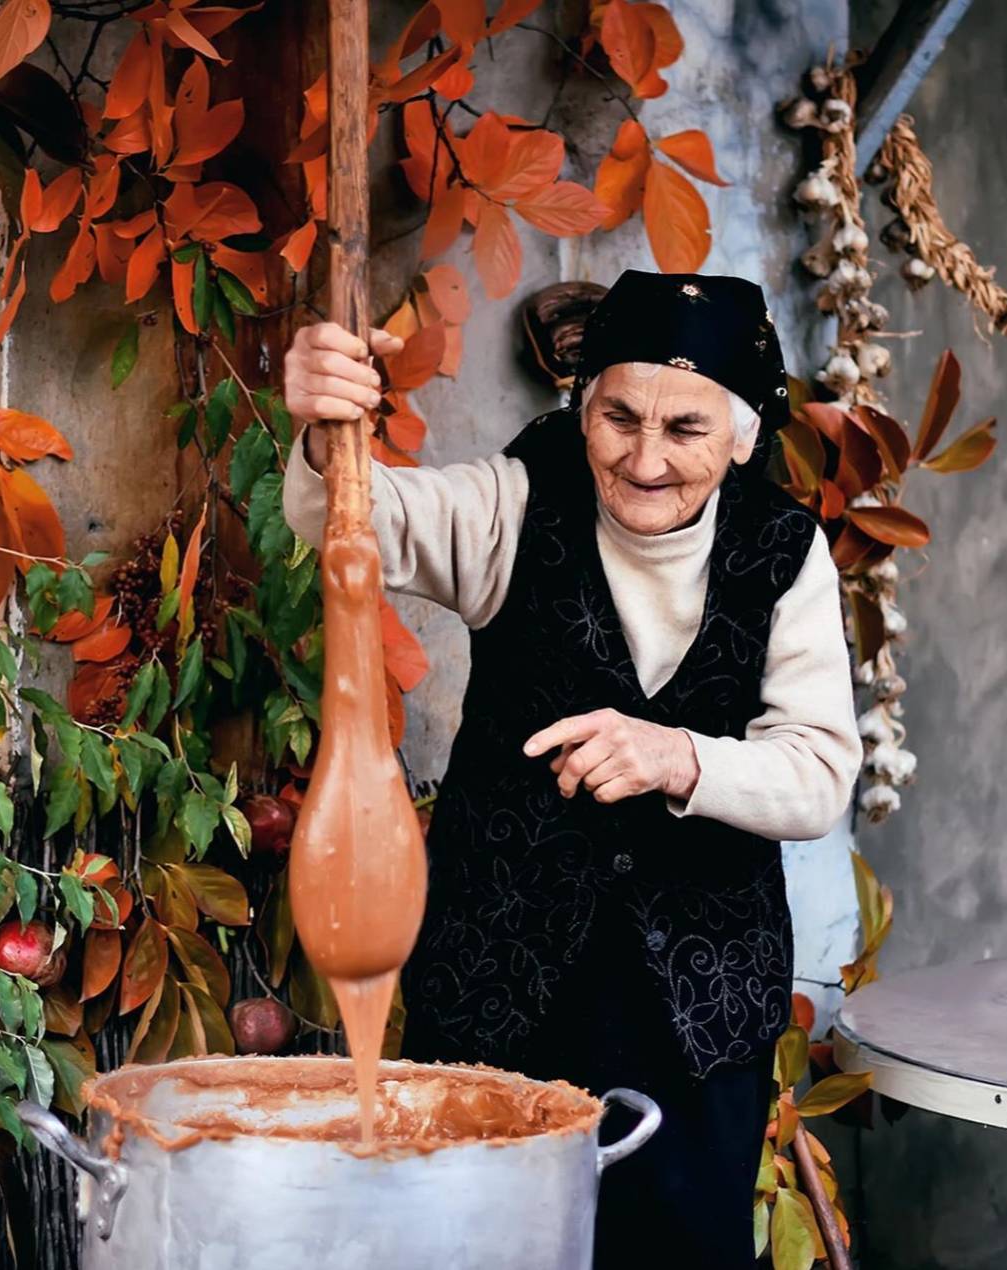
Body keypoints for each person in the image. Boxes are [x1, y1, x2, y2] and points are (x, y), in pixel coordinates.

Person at [281, 270, 862, 1269]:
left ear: (739, 438)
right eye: (616, 418)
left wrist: (677, 756)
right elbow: (349, 519)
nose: (643, 459)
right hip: (498, 993)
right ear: (580, 408)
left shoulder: (780, 550)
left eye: (684, 429)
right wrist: (322, 427)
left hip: (695, 1021)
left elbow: (816, 774)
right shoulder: (516, 499)